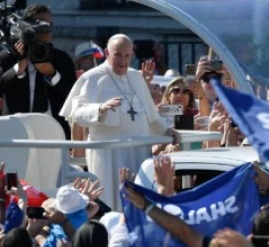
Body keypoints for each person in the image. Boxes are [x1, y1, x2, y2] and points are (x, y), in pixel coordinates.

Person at [60, 34, 181, 209]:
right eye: (117, 55)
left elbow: (151, 117)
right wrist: (99, 109)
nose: (123, 61)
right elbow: (77, 112)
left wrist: (167, 131)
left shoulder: (136, 78)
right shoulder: (92, 77)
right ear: (108, 53)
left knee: (139, 201)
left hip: (139, 153)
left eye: (127, 56)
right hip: (108, 156)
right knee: (110, 202)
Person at [0, 4, 76, 138]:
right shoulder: (7, 58)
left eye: (49, 24)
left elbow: (73, 96)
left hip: (53, 132)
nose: (47, 29)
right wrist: (18, 68)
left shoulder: (60, 58)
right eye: (41, 23)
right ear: (26, 27)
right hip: (16, 132)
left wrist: (52, 74)